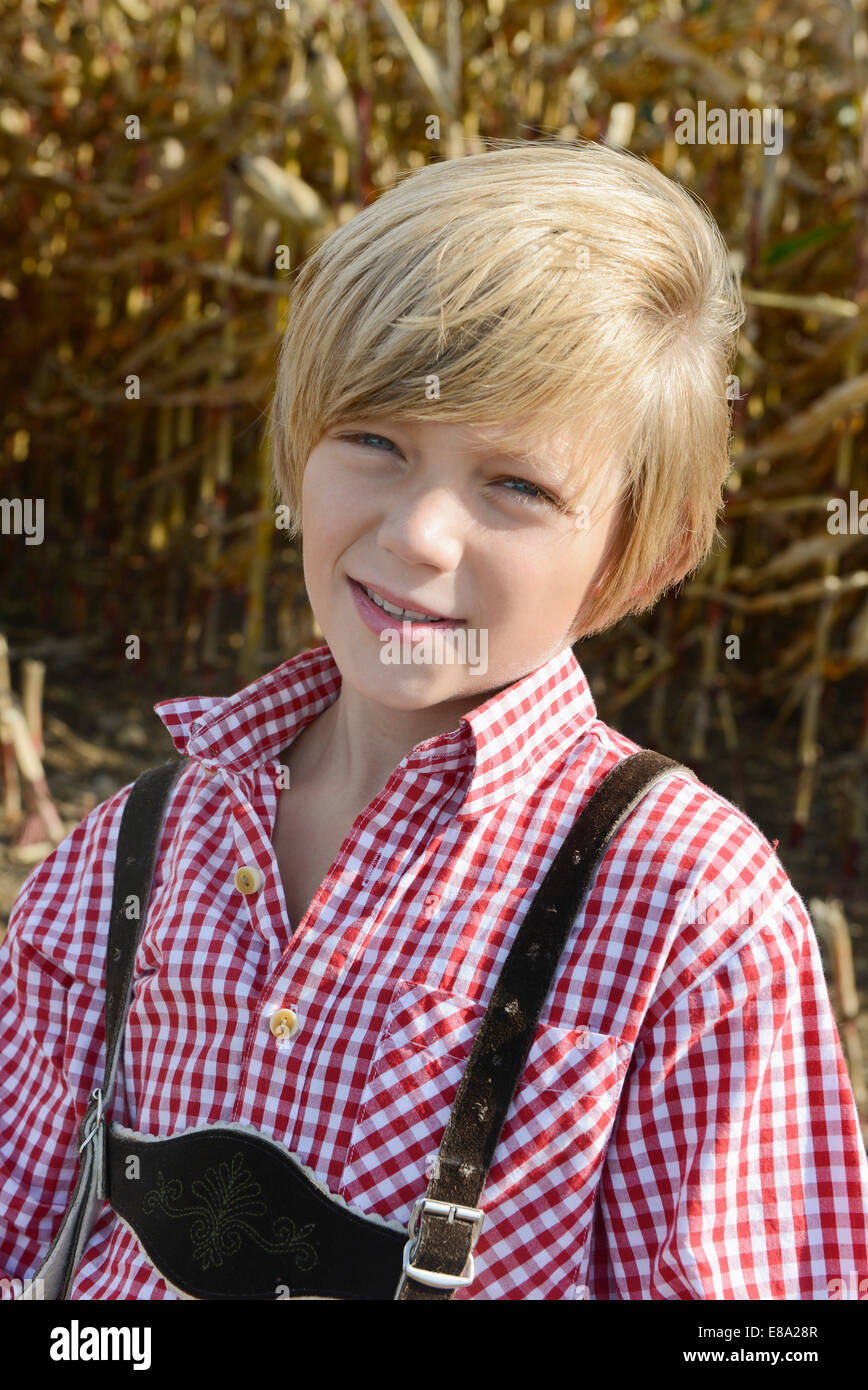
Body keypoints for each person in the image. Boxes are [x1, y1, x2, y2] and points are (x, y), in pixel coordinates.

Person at [2, 138, 866, 1300]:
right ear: (299, 447)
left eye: (515, 485)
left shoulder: (686, 915)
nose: (418, 535)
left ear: (633, 555)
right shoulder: (127, 857)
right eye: (376, 441)